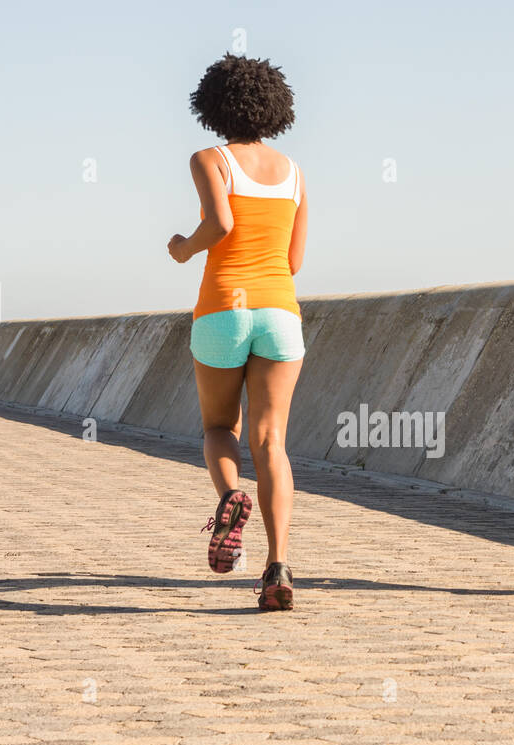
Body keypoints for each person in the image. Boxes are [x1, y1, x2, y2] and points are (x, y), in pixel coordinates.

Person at [168, 54, 307, 611]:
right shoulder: (295, 172)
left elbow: (220, 224)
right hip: (279, 311)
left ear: (213, 104)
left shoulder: (210, 159)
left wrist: (182, 249)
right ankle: (277, 569)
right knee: (272, 441)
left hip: (223, 308)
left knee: (219, 427)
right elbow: (294, 261)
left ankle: (230, 497)